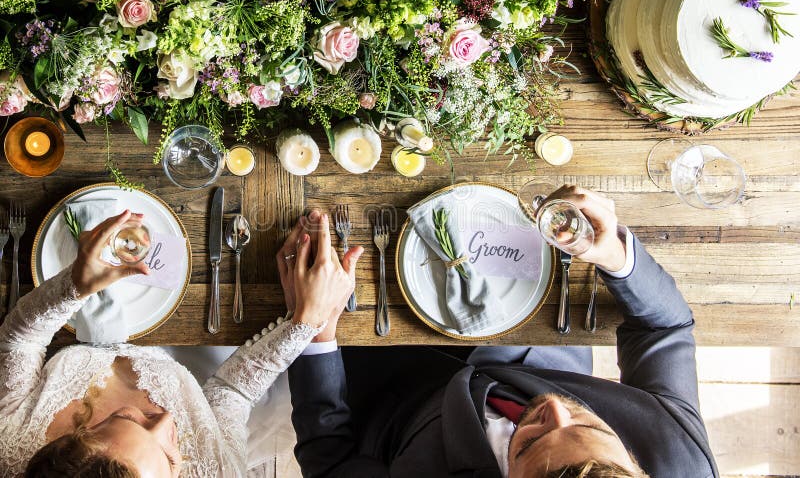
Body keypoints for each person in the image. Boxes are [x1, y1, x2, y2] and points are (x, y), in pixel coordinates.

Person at [287, 186, 719, 478]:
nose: (553, 406)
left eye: (530, 443)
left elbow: (329, 461)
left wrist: (314, 331)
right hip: (531, 332)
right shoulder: (680, 459)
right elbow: (664, 326)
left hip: (389, 381)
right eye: (594, 426)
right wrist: (616, 258)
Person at [0, 209, 361, 477]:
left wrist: (74, 286)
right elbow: (231, 392)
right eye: (171, 459)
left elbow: (18, 341)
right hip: (202, 362)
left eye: (126, 417)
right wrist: (305, 322)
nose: (169, 418)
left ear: (69, 440)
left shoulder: (10, 439)